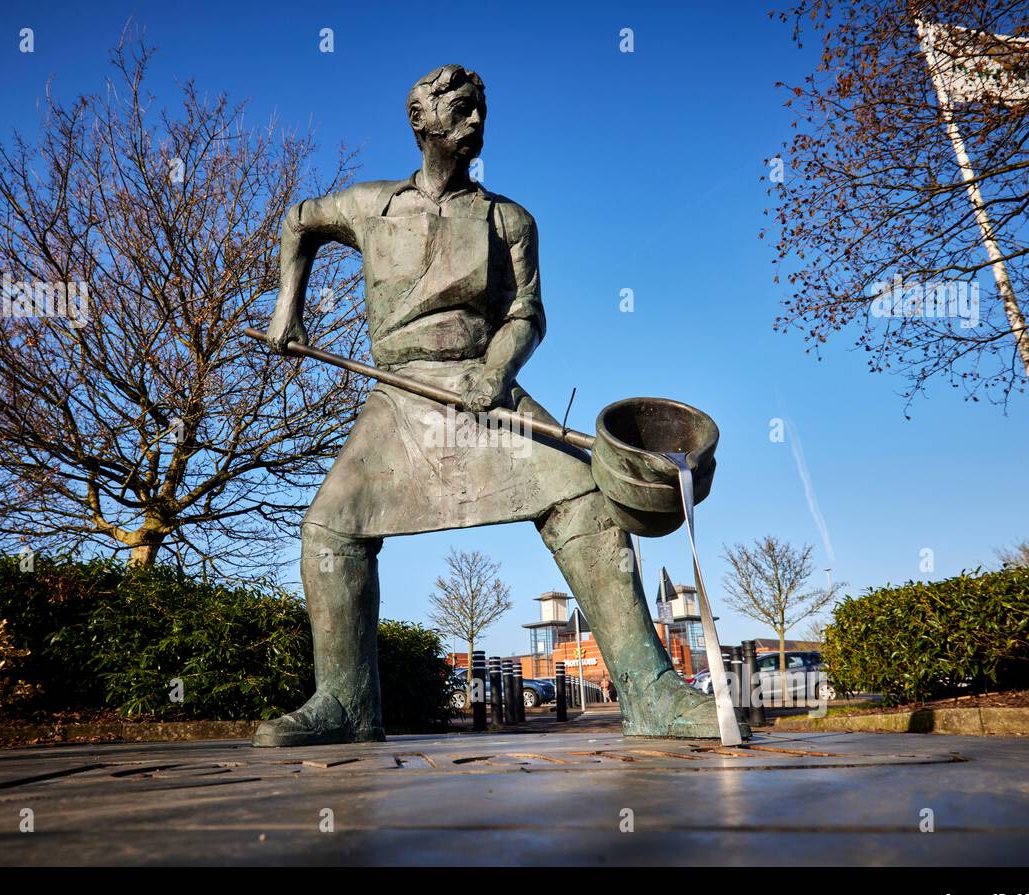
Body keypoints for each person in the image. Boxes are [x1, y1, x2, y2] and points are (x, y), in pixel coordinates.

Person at [254, 65, 726, 746]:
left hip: (482, 392)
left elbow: (526, 313)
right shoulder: (369, 205)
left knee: (587, 495)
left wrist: (497, 367)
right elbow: (299, 222)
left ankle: (652, 694)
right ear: (421, 121)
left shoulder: (509, 219)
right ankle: (346, 701)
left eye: (482, 110)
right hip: (399, 398)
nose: (476, 122)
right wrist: (286, 310)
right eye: (462, 109)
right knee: (330, 528)